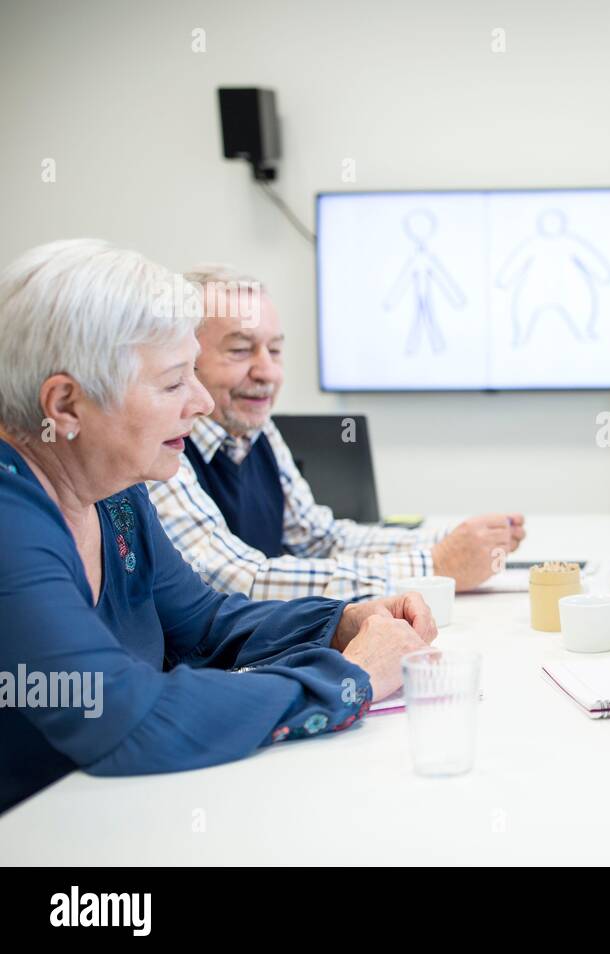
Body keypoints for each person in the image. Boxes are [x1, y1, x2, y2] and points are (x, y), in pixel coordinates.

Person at [0, 240, 434, 812]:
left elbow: (204, 625)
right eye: (175, 381)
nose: (202, 402)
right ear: (65, 405)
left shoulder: (116, 494)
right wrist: (347, 678)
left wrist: (339, 624)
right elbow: (127, 719)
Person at [147, 264, 526, 601]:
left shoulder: (255, 431)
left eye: (275, 351)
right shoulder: (161, 448)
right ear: (184, 357)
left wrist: (456, 542)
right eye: (242, 350)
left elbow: (320, 540)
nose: (268, 372)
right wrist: (434, 564)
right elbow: (239, 579)